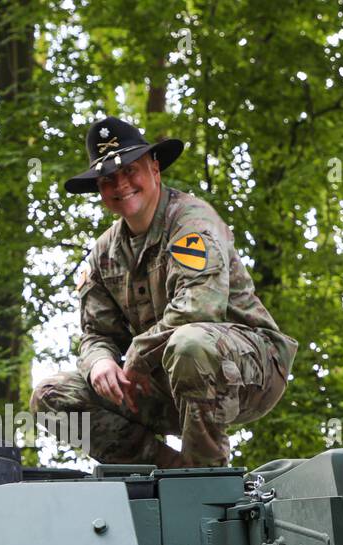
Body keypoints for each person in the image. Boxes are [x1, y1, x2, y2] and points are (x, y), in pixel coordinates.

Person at [30, 116, 297, 467]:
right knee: (51, 397)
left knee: (189, 344)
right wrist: (101, 363)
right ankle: (169, 472)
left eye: (130, 171)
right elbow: (96, 333)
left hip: (249, 370)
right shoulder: (103, 255)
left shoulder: (190, 222)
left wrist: (137, 356)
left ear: (155, 169)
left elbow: (199, 306)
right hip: (165, 383)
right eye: (109, 178)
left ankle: (206, 480)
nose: (121, 184)